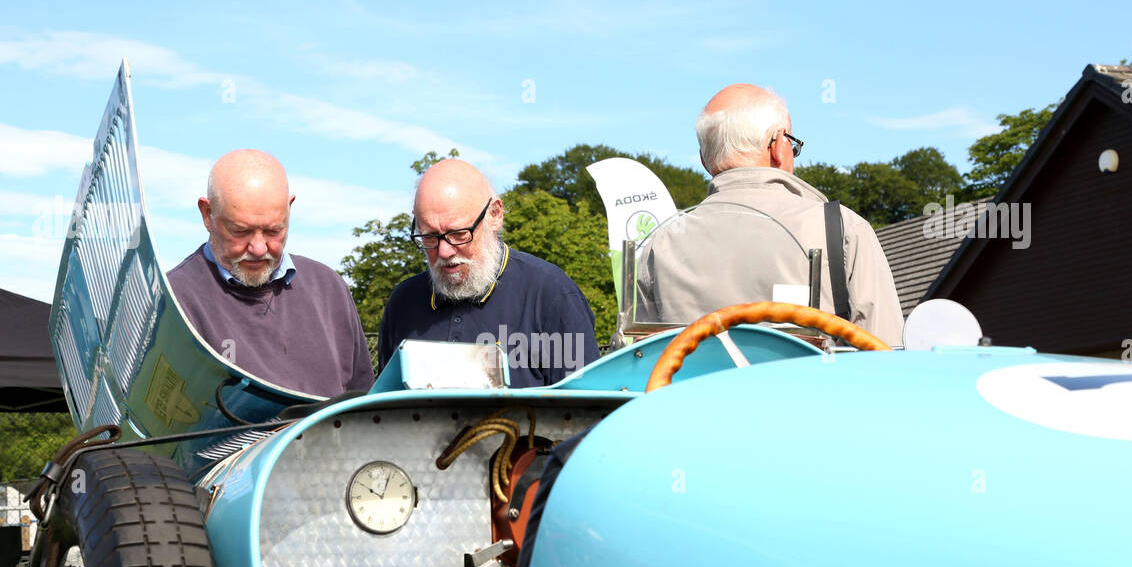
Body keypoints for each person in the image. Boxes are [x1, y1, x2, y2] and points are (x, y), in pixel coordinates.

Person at [636, 84, 903, 346]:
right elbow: (886, 356)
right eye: (793, 144)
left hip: (691, 389)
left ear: (705, 161)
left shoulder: (660, 244)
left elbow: (645, 360)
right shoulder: (840, 229)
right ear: (777, 145)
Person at [167, 149, 375, 396]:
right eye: (240, 231)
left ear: (290, 209)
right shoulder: (171, 301)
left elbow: (363, 403)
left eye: (273, 231)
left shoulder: (330, 288)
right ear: (207, 215)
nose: (258, 248)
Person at [377, 159, 600, 386]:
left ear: (494, 215)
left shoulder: (551, 294)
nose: (444, 251)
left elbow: (586, 410)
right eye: (429, 236)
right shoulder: (403, 303)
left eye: (459, 234)